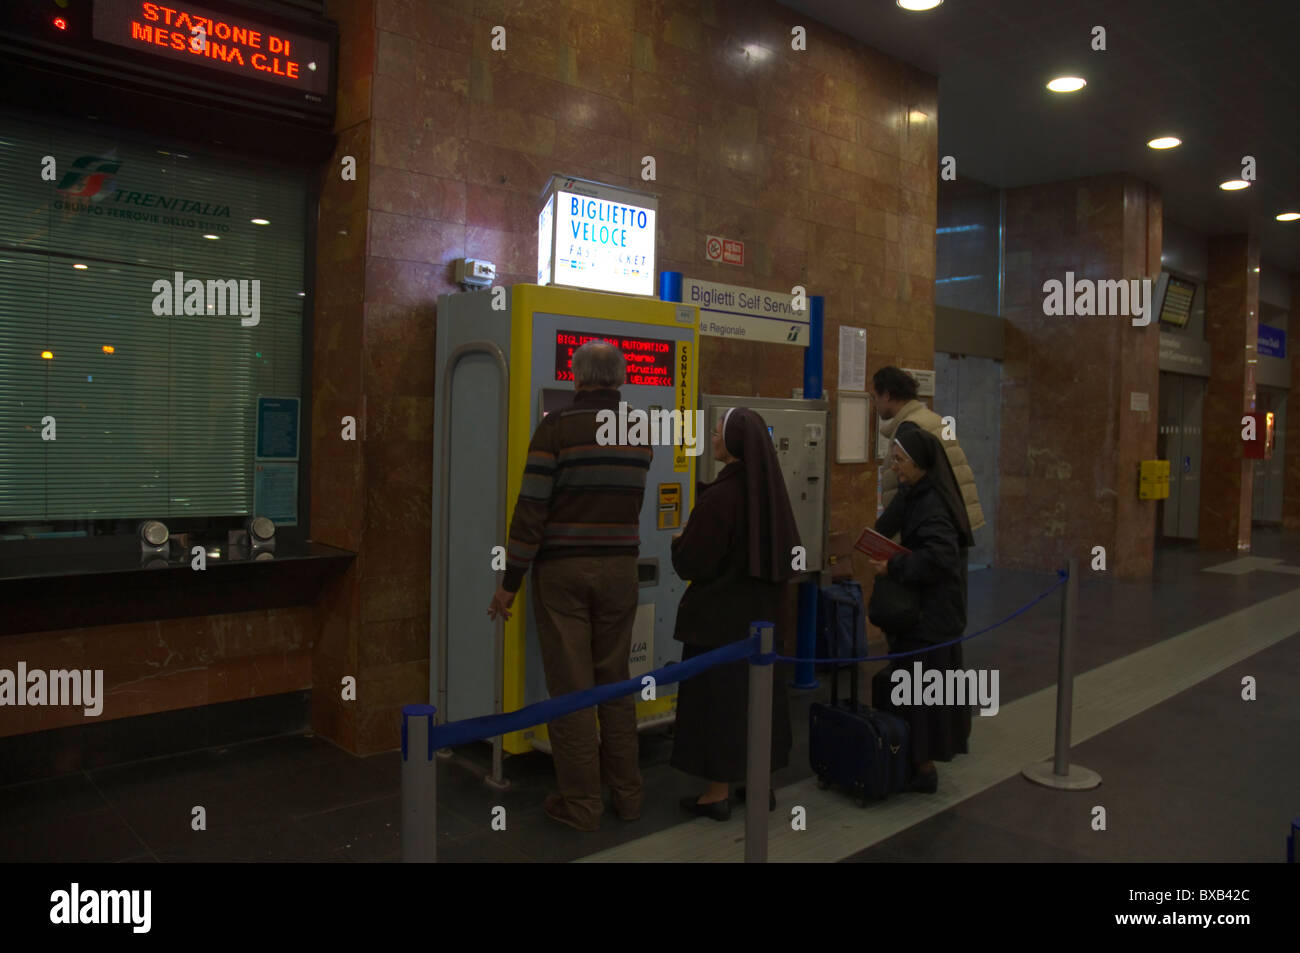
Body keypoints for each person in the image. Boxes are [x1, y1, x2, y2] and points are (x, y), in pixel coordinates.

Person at [486, 341, 650, 831]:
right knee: (616, 683)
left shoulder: (555, 427)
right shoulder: (640, 430)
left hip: (563, 573)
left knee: (573, 688)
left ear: (577, 378)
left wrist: (509, 583)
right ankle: (629, 795)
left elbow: (531, 509)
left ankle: (581, 804)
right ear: (619, 379)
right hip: (621, 570)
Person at [669, 407, 800, 821]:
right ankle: (760, 786)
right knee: (760, 704)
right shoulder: (773, 494)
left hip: (718, 628)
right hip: (764, 626)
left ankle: (717, 793)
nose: (711, 437)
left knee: (719, 708)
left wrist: (679, 541)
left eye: (717, 432)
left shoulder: (720, 497)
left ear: (735, 443)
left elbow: (693, 563)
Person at [867, 422, 974, 793]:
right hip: (928, 614)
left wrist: (892, 565)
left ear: (921, 463)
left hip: (931, 618)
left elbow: (940, 557)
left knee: (922, 698)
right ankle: (915, 759)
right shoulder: (918, 491)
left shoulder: (933, 504)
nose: (895, 467)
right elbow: (887, 525)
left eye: (900, 461)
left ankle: (922, 767)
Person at [873, 366, 985, 533]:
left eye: (875, 397)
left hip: (932, 526)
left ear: (887, 395)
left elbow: (907, 486)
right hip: (955, 519)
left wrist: (884, 530)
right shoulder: (934, 419)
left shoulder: (910, 428)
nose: (874, 404)